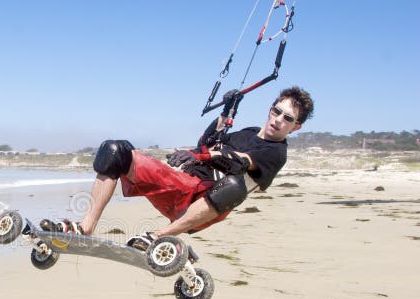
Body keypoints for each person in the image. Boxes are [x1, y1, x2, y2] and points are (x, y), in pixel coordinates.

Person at [41, 86, 314, 242]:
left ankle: (159, 236)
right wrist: (226, 113)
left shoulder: (276, 152)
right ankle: (86, 226)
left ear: (296, 126)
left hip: (206, 204)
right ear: (271, 108)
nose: (278, 119)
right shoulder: (247, 132)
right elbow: (208, 141)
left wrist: (203, 156)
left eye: (287, 118)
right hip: (181, 186)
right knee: (115, 150)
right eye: (276, 111)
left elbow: (238, 162)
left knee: (234, 186)